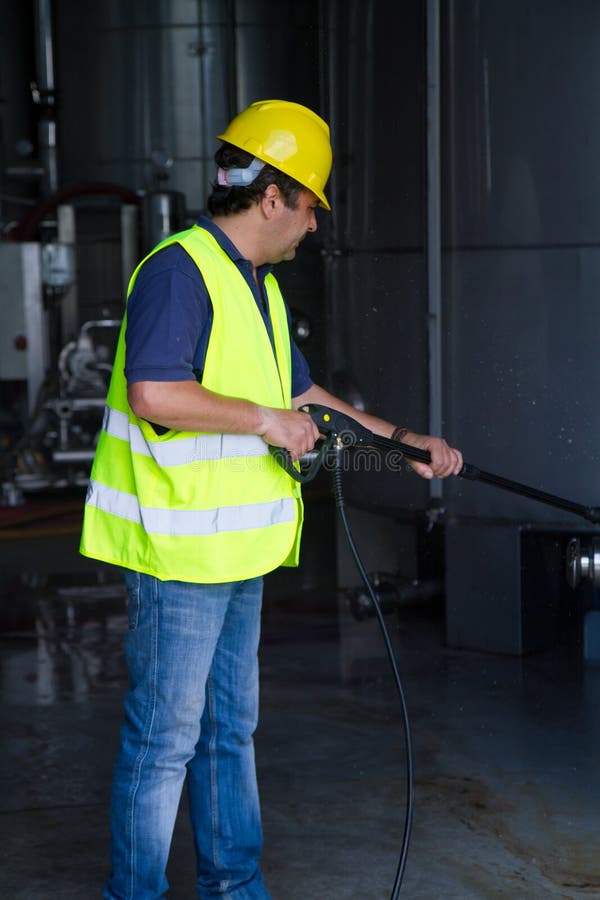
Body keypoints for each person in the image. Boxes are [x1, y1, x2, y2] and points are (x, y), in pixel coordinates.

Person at [80, 99, 463, 900]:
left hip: (237, 554)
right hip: (178, 558)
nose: (315, 225)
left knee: (229, 733)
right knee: (165, 741)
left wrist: (402, 441)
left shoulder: (258, 287)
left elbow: (304, 397)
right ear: (273, 196)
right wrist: (264, 421)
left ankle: (235, 887)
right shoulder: (180, 271)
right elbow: (155, 394)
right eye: (311, 206)